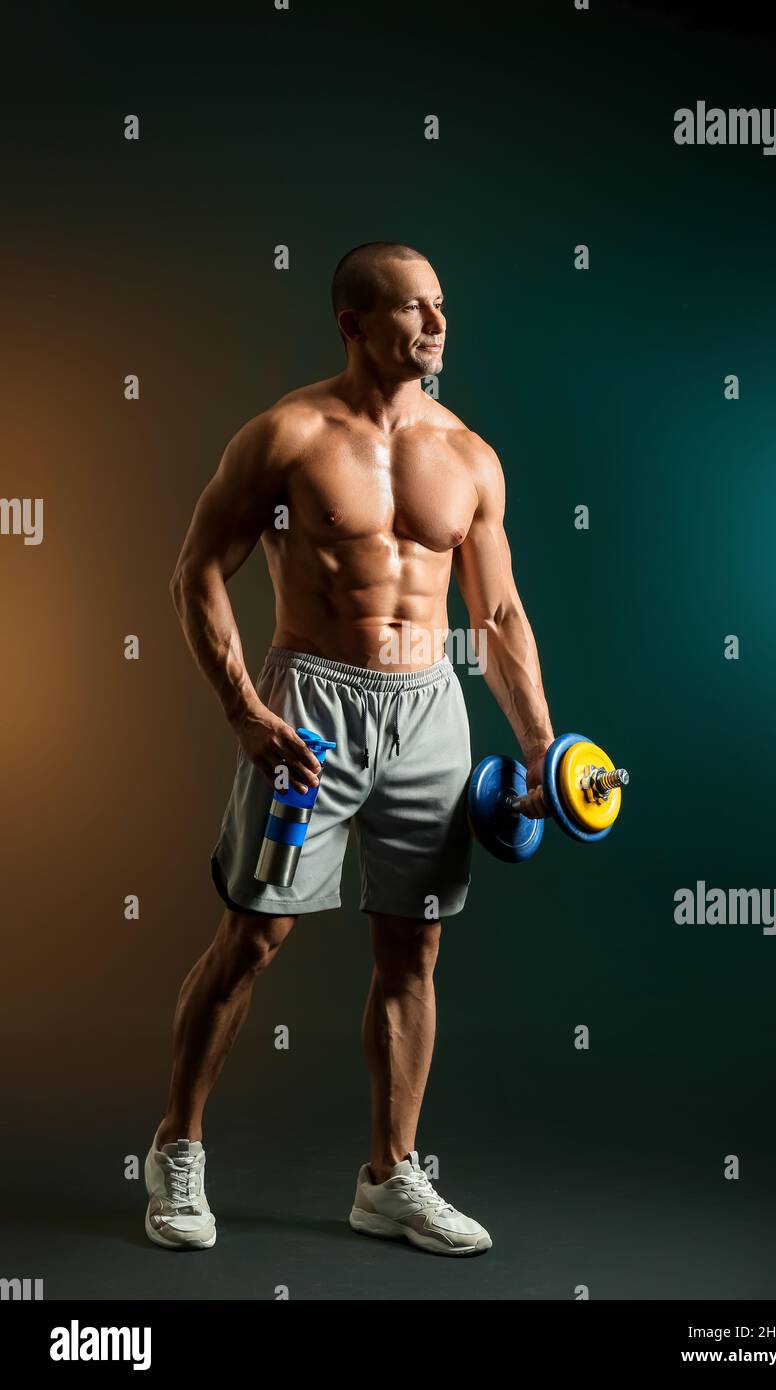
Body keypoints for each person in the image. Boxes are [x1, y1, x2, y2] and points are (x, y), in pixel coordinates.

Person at [144, 241, 554, 1257]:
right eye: (412, 310)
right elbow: (195, 574)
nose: (435, 325)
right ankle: (175, 1150)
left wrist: (540, 745)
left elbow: (495, 612)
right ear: (352, 324)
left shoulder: (467, 453)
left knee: (413, 948)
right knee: (252, 937)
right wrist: (243, 710)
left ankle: (389, 1176)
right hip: (309, 709)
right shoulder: (284, 435)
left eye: (441, 307)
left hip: (428, 713)